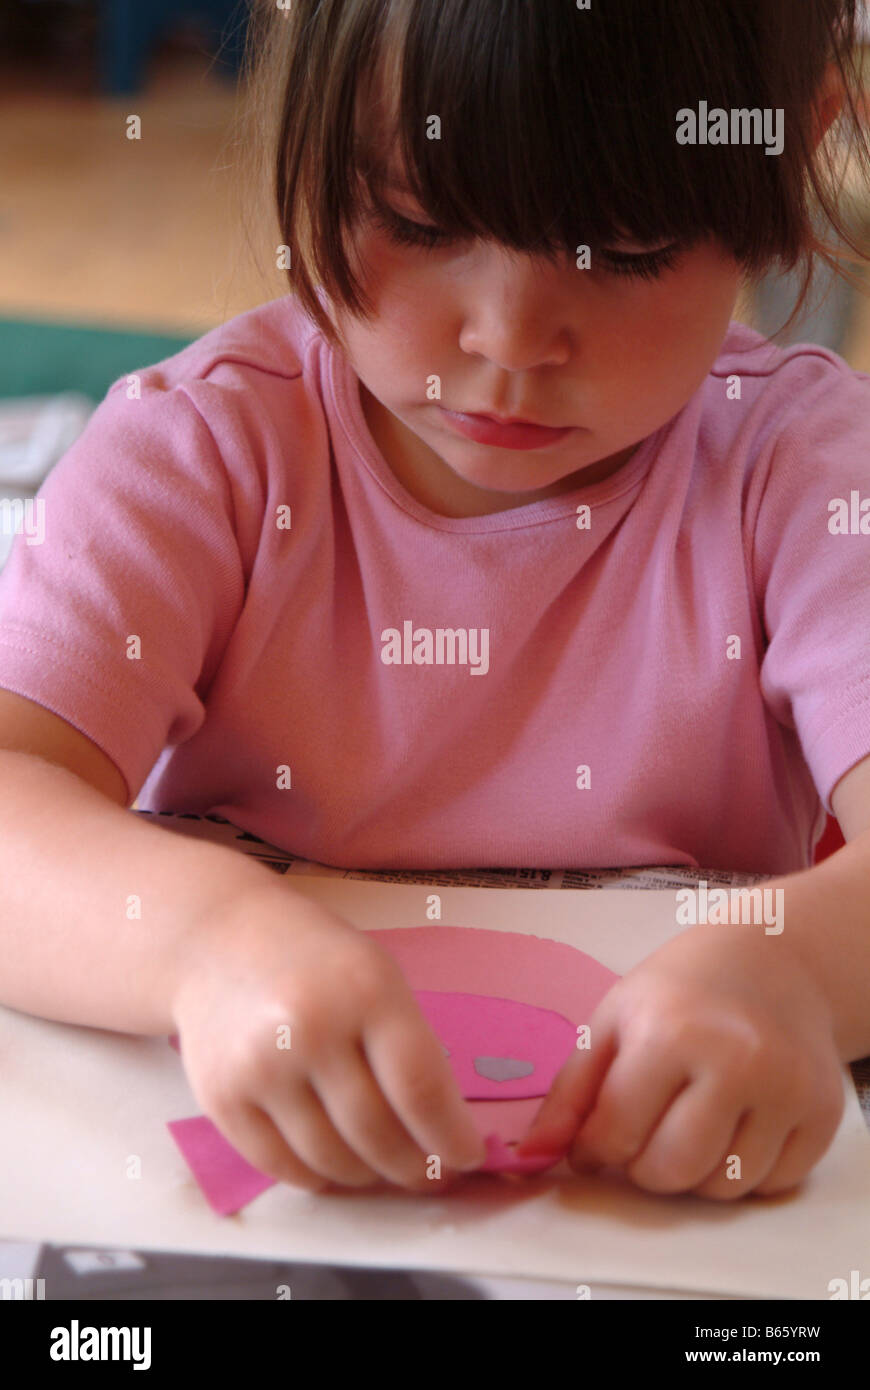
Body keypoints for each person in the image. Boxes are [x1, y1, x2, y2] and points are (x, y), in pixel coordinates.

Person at [1, 0, 869, 1205]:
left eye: (624, 252)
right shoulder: (199, 450)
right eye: (418, 217)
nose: (510, 339)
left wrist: (803, 972)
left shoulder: (804, 471)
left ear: (797, 138)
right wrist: (205, 944)